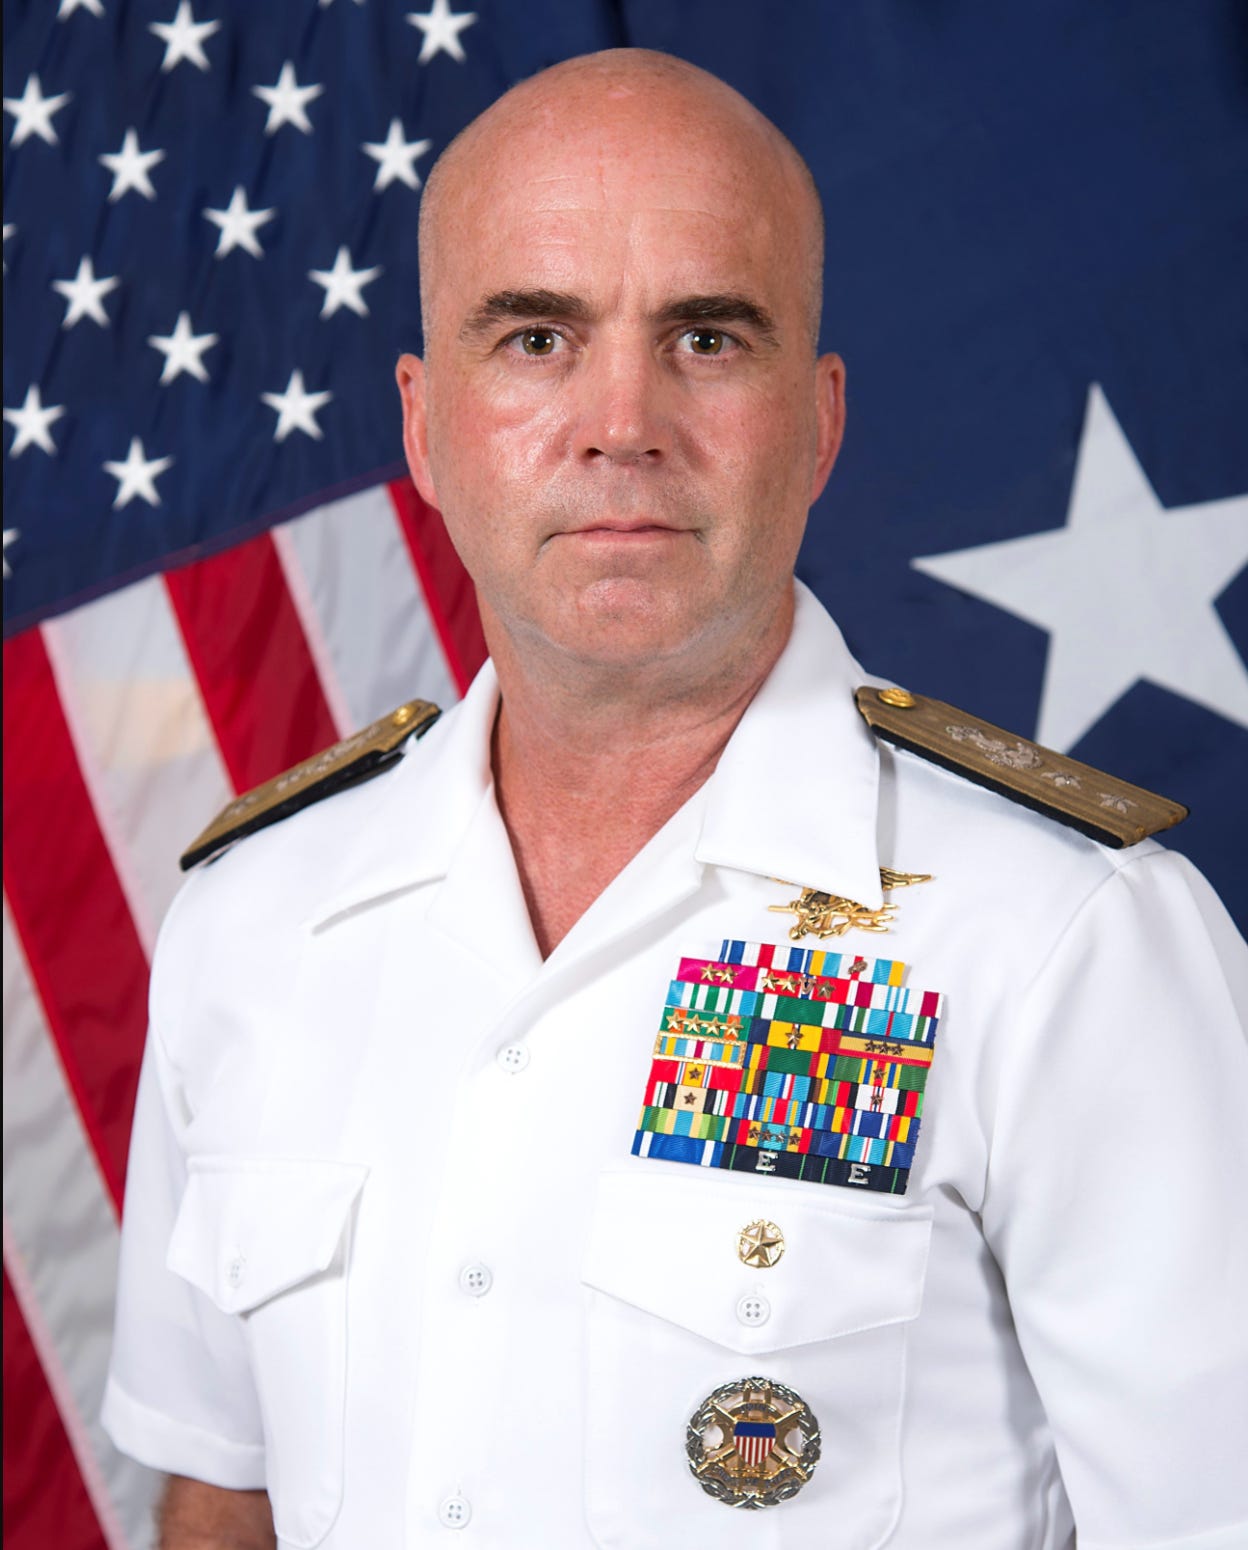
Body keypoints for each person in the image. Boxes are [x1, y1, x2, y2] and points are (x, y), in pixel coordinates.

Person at [103, 48, 1248, 1550]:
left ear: (819, 425)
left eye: (707, 337)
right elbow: (222, 1490)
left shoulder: (1067, 940)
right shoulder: (254, 922)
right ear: (425, 429)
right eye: (536, 338)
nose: (622, 421)